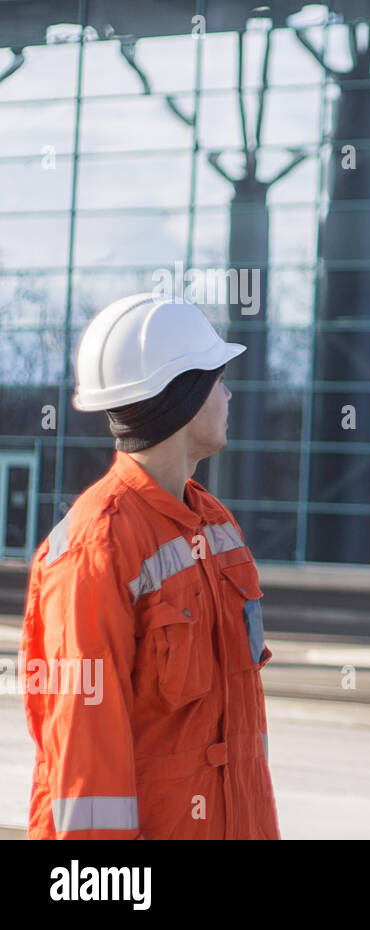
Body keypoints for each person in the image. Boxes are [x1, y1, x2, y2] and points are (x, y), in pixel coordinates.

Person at [22, 294, 280, 839]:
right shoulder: (96, 549)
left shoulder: (218, 527)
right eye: (217, 380)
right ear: (181, 395)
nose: (228, 394)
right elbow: (86, 784)